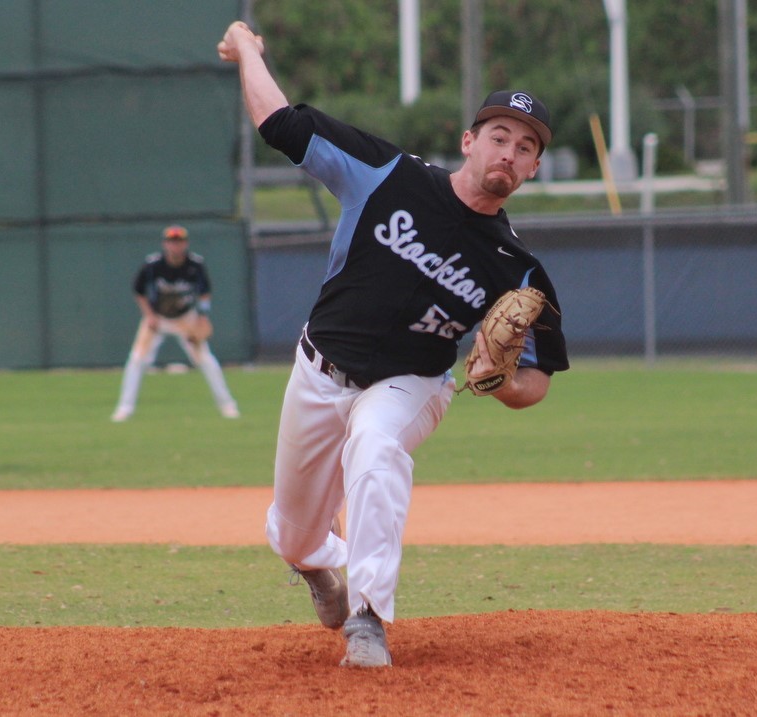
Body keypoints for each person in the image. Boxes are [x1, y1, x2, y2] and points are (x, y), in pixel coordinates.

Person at [218, 21, 568, 668]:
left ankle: (369, 615)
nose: (509, 154)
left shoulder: (516, 268)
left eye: (525, 147)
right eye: (498, 137)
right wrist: (248, 52)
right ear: (469, 141)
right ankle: (318, 566)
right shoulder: (390, 175)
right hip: (319, 370)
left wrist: (501, 380)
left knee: (377, 446)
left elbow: (538, 380)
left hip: (412, 383)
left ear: (535, 167)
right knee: (294, 531)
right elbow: (279, 122)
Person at [111, 224, 240, 422]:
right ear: (165, 244)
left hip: (185, 319)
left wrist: (203, 316)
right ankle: (124, 408)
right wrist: (149, 315)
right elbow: (139, 291)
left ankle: (227, 406)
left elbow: (204, 293)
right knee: (136, 360)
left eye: (179, 242)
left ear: (185, 244)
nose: (175, 246)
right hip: (158, 318)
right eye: (171, 242)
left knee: (206, 361)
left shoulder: (195, 264)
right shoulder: (153, 265)